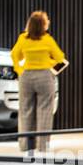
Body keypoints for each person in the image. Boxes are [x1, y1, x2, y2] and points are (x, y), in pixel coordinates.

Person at [10, 11, 67, 155]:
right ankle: (43, 146)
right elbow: (61, 58)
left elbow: (14, 55)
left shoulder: (23, 38)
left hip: (26, 77)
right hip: (44, 76)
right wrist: (51, 68)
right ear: (44, 25)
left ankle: (25, 146)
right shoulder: (47, 40)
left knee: (25, 111)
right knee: (45, 111)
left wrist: (20, 70)